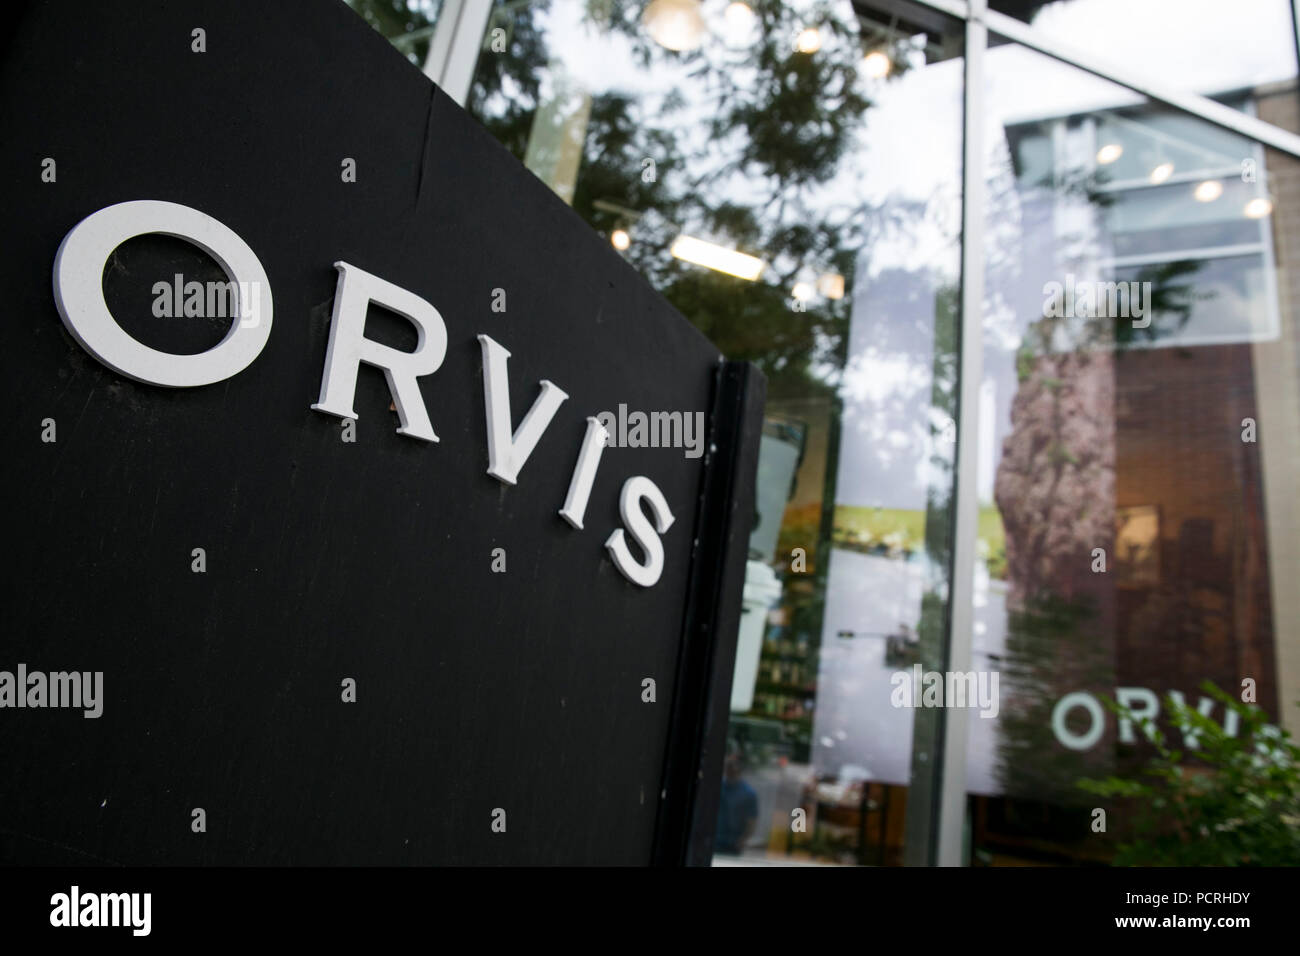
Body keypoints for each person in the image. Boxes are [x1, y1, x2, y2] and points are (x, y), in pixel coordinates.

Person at [714, 742, 758, 855]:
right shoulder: (716, 787)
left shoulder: (748, 794)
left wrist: (742, 841)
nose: (731, 767)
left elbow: (751, 821)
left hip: (732, 844)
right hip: (713, 841)